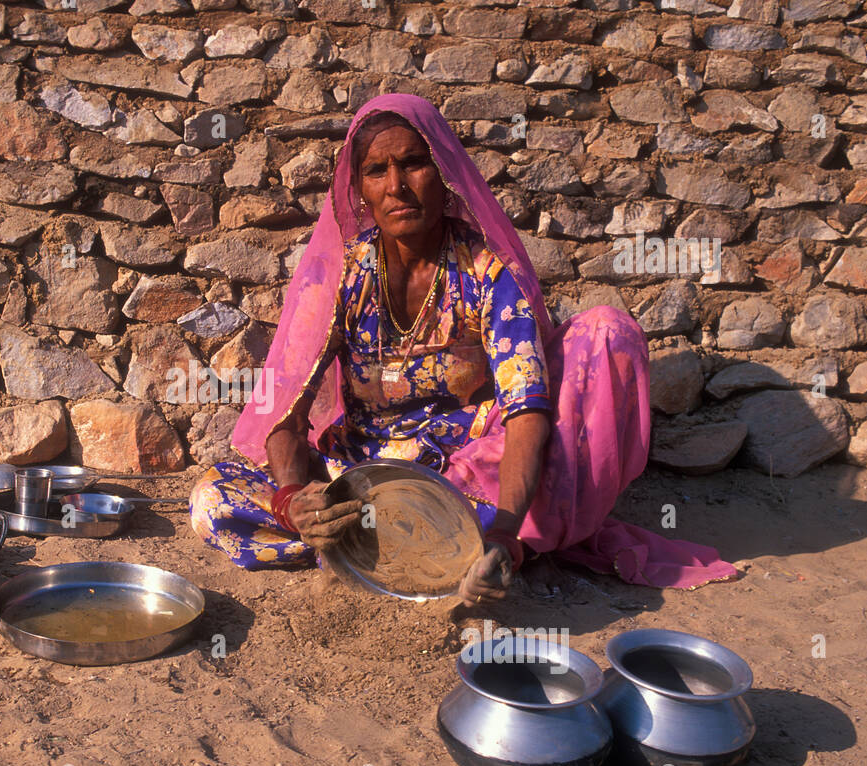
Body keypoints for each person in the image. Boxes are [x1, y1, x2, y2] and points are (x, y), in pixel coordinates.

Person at [189, 93, 738, 603]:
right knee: (213, 496)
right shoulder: (340, 275)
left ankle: (487, 543)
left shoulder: (485, 271)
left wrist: (504, 532)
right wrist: (292, 504)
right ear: (359, 189)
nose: (397, 186)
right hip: (363, 475)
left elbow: (526, 411)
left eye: (413, 163)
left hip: (469, 469)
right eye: (377, 171)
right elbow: (285, 408)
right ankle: (392, 542)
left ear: (444, 173)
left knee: (606, 333)